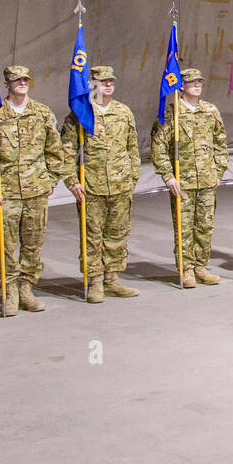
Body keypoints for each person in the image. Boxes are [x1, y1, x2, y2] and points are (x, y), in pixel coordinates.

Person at [0, 65, 67, 316]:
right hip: (7, 194)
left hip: (36, 191)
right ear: (7, 84)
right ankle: (10, 292)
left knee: (33, 245)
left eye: (25, 79)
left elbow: (56, 151)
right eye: (16, 80)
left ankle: (26, 289)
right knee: (7, 246)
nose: (22, 83)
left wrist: (51, 180)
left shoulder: (42, 113)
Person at [63, 65, 141, 303]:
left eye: (111, 80)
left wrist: (133, 176)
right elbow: (66, 151)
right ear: (92, 85)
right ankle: (95, 281)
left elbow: (132, 147)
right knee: (92, 236)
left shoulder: (123, 112)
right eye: (102, 81)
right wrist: (71, 180)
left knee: (117, 234)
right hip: (91, 186)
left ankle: (111, 279)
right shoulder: (81, 113)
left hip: (120, 185)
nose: (108, 84)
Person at [150, 68, 226, 288]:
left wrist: (219, 171)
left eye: (199, 81)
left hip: (207, 180)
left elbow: (220, 142)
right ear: (181, 85)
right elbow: (159, 147)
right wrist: (168, 176)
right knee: (184, 227)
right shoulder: (171, 113)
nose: (197, 85)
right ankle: (187, 269)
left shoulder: (210, 110)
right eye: (192, 82)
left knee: (205, 226)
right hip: (182, 181)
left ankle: (201, 266)